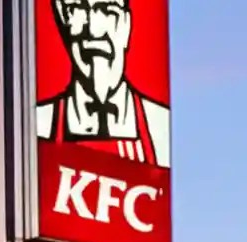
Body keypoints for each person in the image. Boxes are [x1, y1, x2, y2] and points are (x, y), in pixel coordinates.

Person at [36, 0, 170, 168]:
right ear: (64, 24)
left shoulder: (158, 124)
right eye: (78, 9)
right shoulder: (39, 127)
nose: (94, 30)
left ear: (125, 26)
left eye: (108, 10)